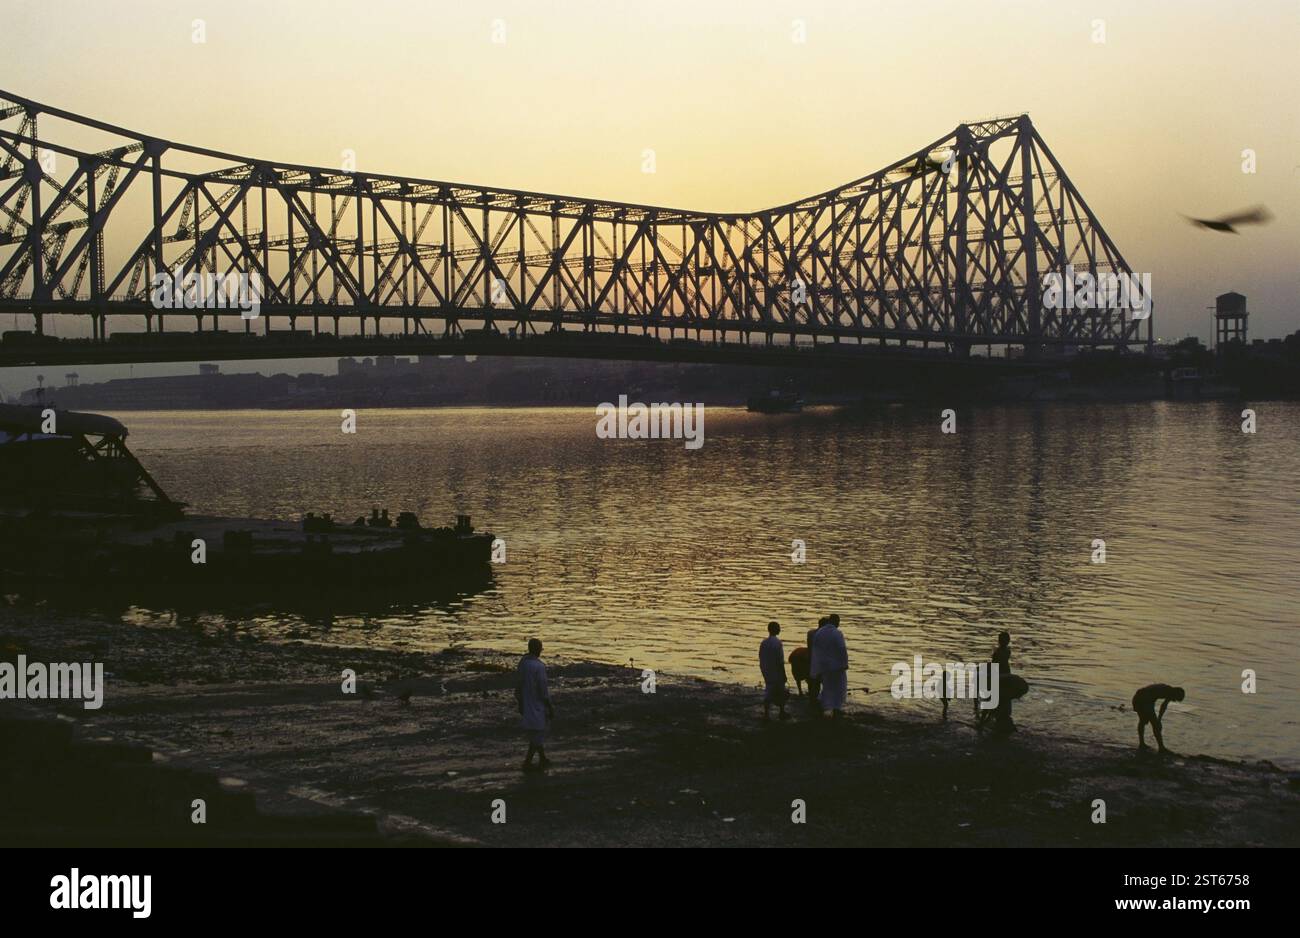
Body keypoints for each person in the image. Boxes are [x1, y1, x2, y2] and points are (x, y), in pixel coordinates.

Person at [515, 638, 554, 770]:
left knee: (535, 732)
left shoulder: (523, 663)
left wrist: (520, 701)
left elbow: (518, 684)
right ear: (538, 650)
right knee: (538, 732)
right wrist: (549, 705)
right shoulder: (539, 666)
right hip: (537, 703)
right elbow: (543, 690)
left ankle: (542, 758)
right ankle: (528, 761)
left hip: (526, 701)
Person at [811, 613, 848, 720]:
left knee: (827, 689)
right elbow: (842, 649)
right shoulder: (837, 633)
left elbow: (816, 651)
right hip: (836, 667)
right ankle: (836, 710)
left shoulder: (820, 633)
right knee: (839, 689)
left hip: (823, 667)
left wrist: (816, 668)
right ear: (836, 622)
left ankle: (826, 709)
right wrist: (844, 664)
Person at [1132, 684, 1185, 753]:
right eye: (1176, 699)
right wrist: (1158, 721)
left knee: (1143, 721)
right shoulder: (1168, 691)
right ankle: (1161, 747)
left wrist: (1159, 719)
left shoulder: (1169, 690)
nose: (1174, 700)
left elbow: (1163, 706)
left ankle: (1142, 744)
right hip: (1143, 699)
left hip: (1140, 697)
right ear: (1175, 693)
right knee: (1154, 724)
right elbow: (1163, 706)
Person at [759, 621, 789, 721]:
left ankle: (766, 714)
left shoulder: (764, 642)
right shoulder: (778, 643)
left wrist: (763, 669)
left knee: (769, 691)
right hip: (776, 672)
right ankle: (781, 711)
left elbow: (761, 657)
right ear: (776, 630)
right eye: (778, 628)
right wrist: (784, 674)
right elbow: (780, 661)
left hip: (767, 670)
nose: (780, 629)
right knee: (781, 691)